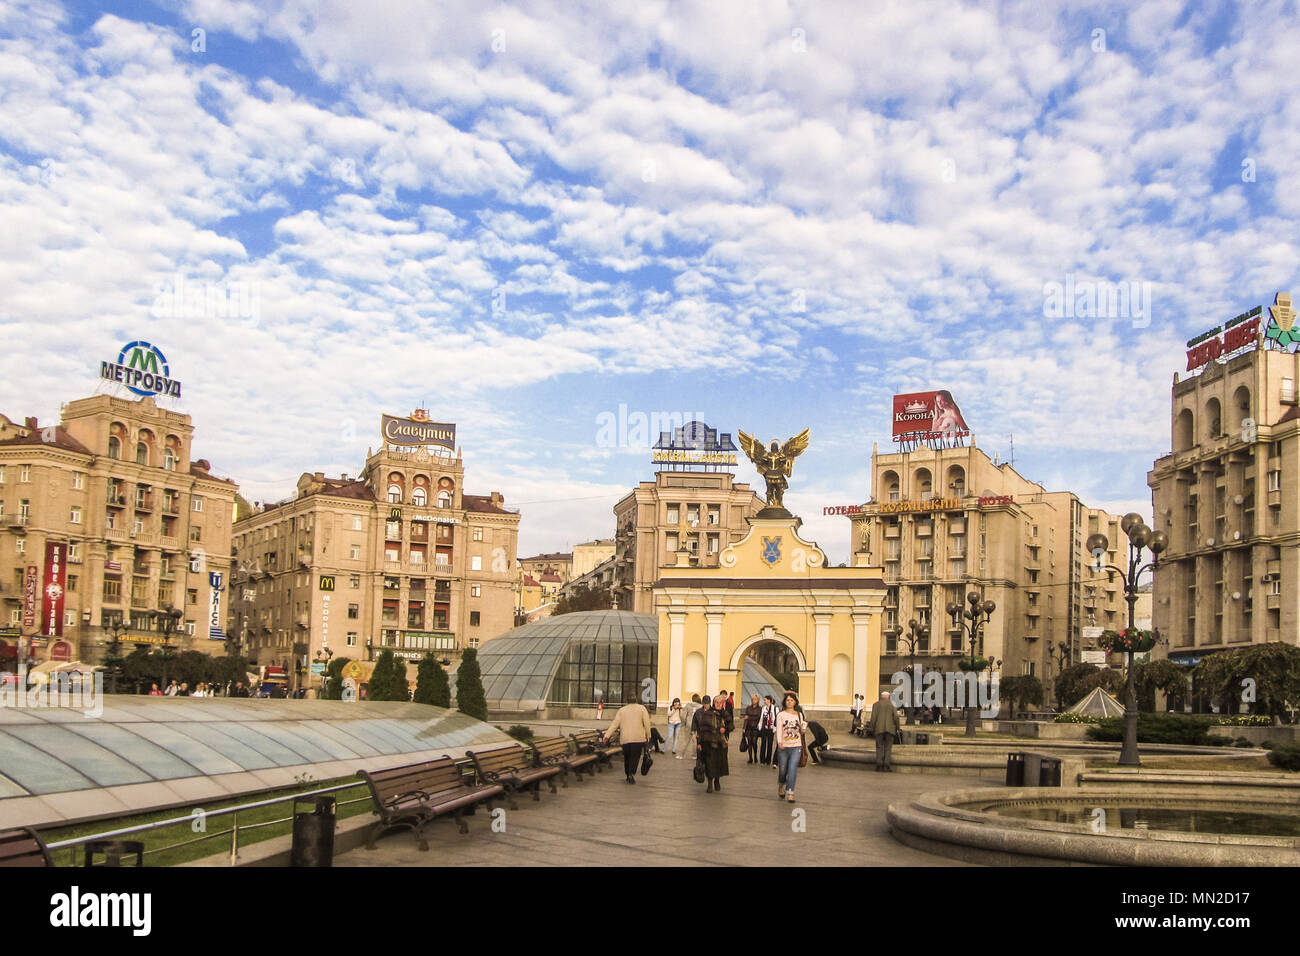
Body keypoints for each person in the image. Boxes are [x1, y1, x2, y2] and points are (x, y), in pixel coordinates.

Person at [602, 692, 651, 784]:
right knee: (635, 757)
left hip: (625, 739)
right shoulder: (642, 709)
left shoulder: (622, 710)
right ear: (636, 700)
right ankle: (631, 773)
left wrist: (607, 735)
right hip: (638, 738)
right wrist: (648, 735)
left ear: (627, 701)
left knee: (627, 757)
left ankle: (628, 774)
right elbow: (647, 723)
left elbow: (614, 724)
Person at [774, 691, 806, 802]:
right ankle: (781, 785)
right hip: (783, 746)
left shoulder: (799, 714)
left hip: (796, 745)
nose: (789, 702)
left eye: (791, 700)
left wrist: (803, 729)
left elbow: (801, 730)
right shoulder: (781, 715)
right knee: (783, 770)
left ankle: (790, 792)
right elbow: (779, 729)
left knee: (792, 768)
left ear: (795, 702)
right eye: (787, 700)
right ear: (784, 702)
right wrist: (780, 742)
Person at [695, 694, 729, 793]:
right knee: (709, 763)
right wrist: (699, 742)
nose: (718, 704)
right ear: (714, 703)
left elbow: (731, 725)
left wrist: (725, 729)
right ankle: (710, 783)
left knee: (719, 763)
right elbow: (701, 729)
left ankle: (717, 780)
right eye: (716, 702)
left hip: (721, 743)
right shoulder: (707, 713)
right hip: (708, 742)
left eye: (720, 703)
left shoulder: (725, 714)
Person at [867, 691, 901, 771]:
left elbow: (873, 717)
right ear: (889, 697)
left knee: (879, 747)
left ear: (881, 697)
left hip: (879, 729)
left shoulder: (876, 705)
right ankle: (886, 765)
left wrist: (871, 728)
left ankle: (879, 765)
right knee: (888, 747)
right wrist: (898, 727)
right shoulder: (892, 705)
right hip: (890, 729)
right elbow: (896, 717)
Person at [758, 695, 778, 766]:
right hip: (764, 728)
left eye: (765, 700)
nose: (764, 701)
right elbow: (761, 718)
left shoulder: (775, 708)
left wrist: (775, 729)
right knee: (763, 744)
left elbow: (776, 719)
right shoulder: (763, 708)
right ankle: (762, 760)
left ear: (769, 700)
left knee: (770, 744)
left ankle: (768, 760)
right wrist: (760, 727)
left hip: (771, 728)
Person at [742, 694, 761, 764]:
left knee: (754, 742)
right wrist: (744, 727)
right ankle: (750, 758)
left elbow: (758, 718)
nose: (753, 700)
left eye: (755, 699)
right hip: (749, 727)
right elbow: (745, 718)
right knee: (749, 742)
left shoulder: (760, 708)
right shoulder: (748, 708)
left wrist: (749, 717)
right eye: (752, 699)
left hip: (755, 728)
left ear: (758, 700)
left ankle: (755, 755)